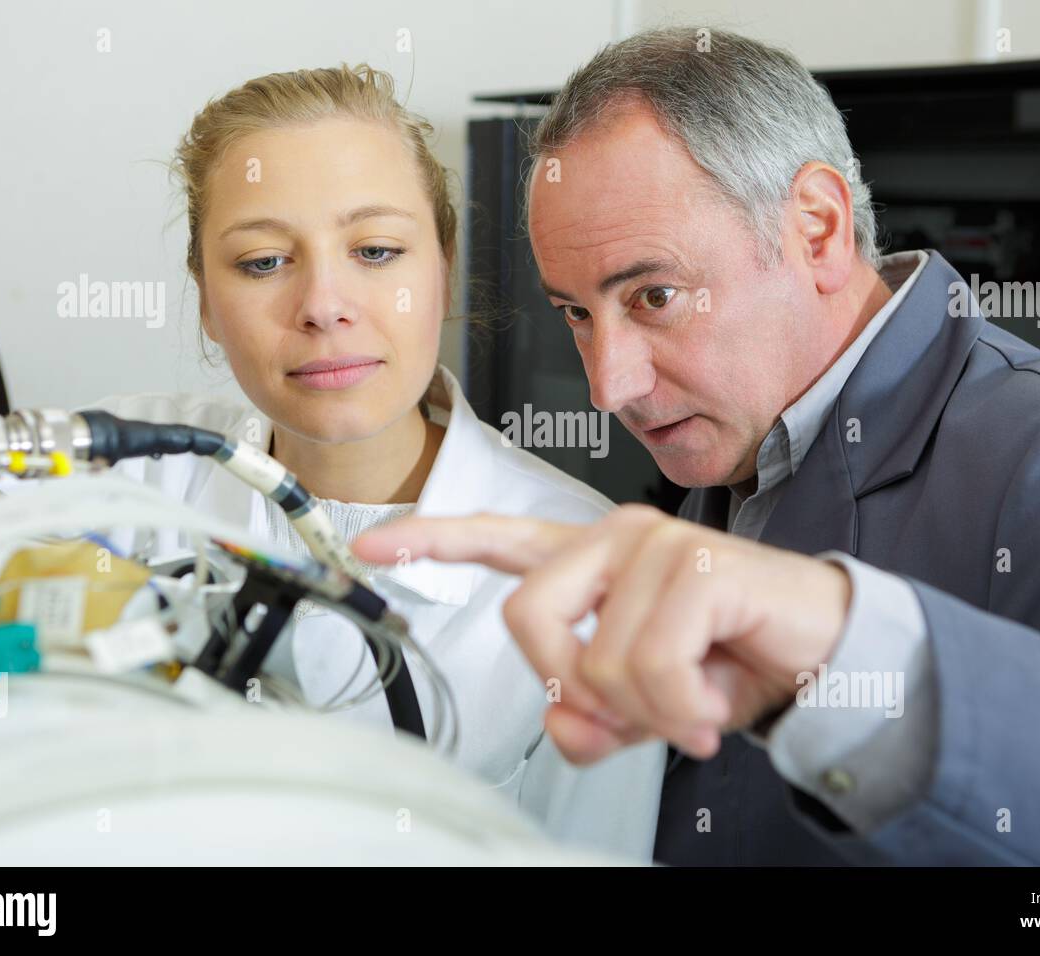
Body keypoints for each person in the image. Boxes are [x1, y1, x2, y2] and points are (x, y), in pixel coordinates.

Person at [352, 28, 1040, 865]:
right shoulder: (734, 456)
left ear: (819, 229)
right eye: (577, 313)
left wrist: (852, 648)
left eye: (654, 295)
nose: (610, 387)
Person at [87, 65, 664, 860]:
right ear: (205, 301)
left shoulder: (587, 570)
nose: (323, 304)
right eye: (262, 263)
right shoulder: (116, 482)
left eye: (377, 250)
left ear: (443, 266)